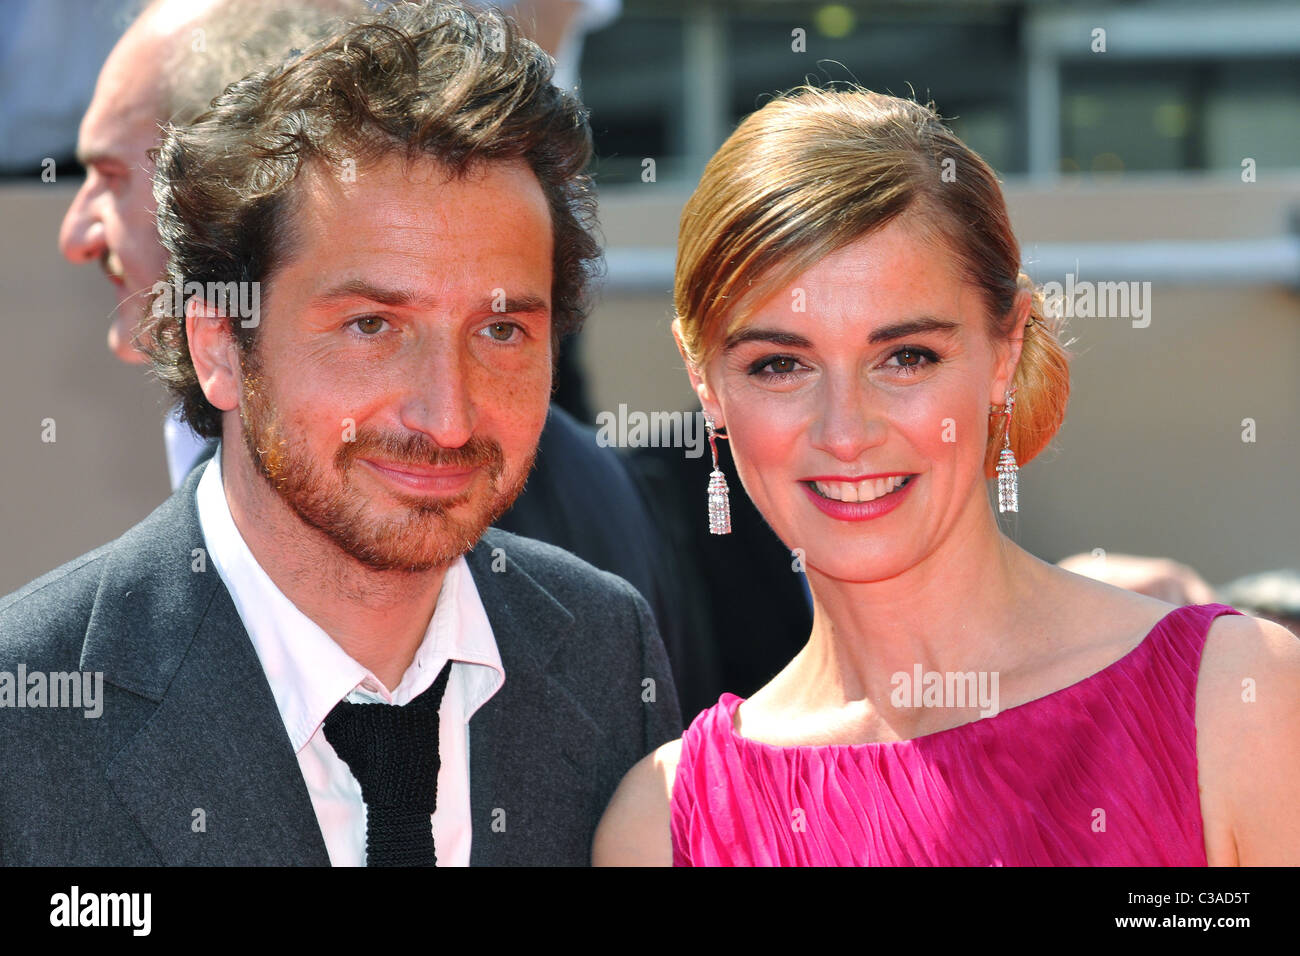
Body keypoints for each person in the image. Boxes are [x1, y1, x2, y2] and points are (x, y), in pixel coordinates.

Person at [0, 0, 680, 866]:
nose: (448, 415)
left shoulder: (603, 652)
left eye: (501, 331)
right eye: (371, 326)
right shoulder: (29, 709)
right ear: (218, 346)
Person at [593, 86, 1300, 866]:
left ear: (1005, 351)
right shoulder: (664, 826)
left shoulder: (1238, 704)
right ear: (705, 384)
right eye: (780, 365)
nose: (845, 432)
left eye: (906, 357)